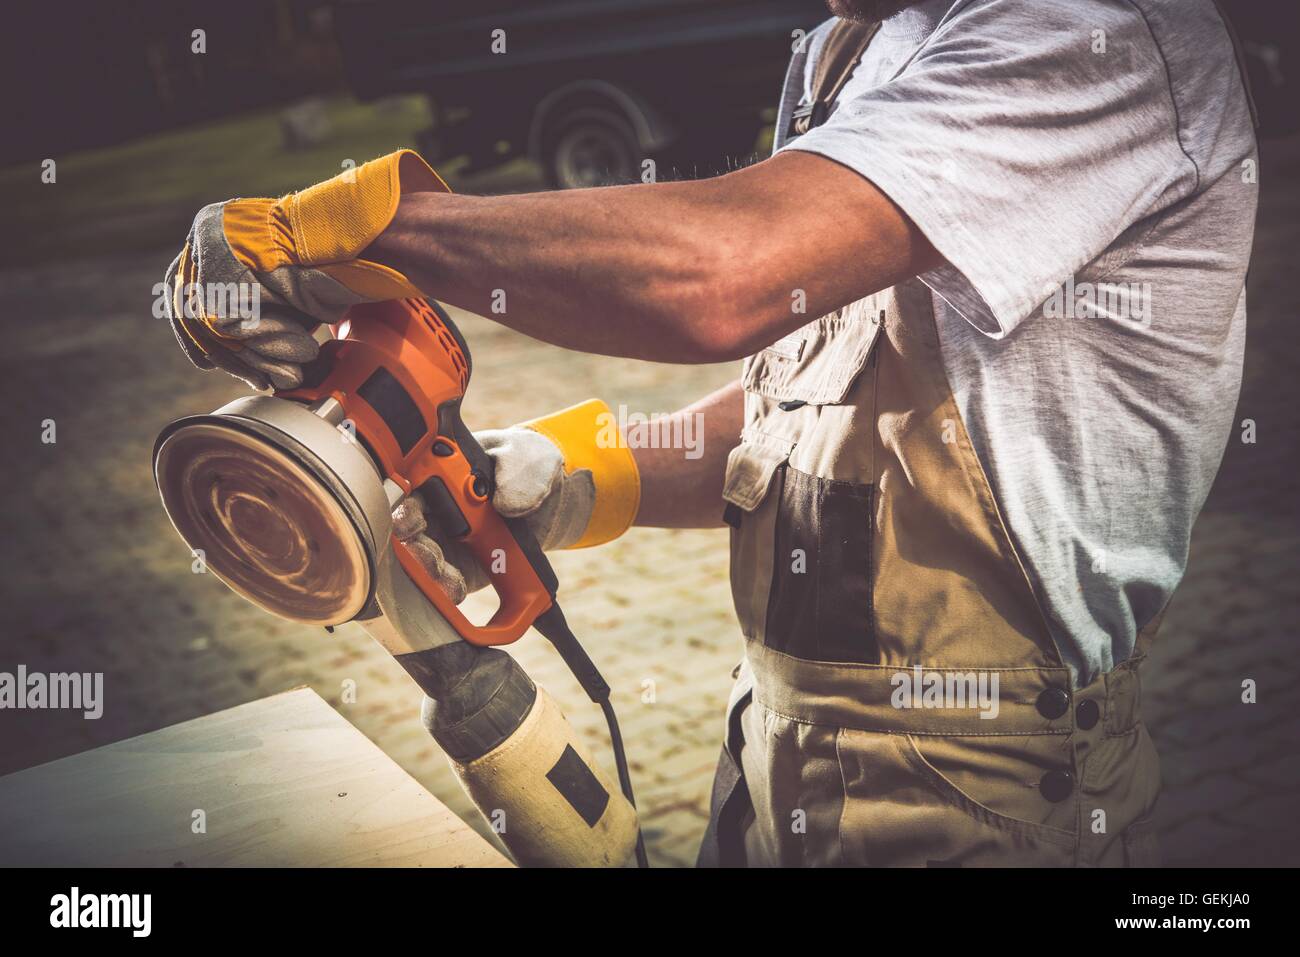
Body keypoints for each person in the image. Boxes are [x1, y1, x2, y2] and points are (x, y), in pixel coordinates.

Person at [164, 0, 1258, 866]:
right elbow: (818, 406)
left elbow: (723, 275)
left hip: (985, 781)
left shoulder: (1102, 35)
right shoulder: (849, 48)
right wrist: (567, 474)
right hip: (781, 746)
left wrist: (370, 230)